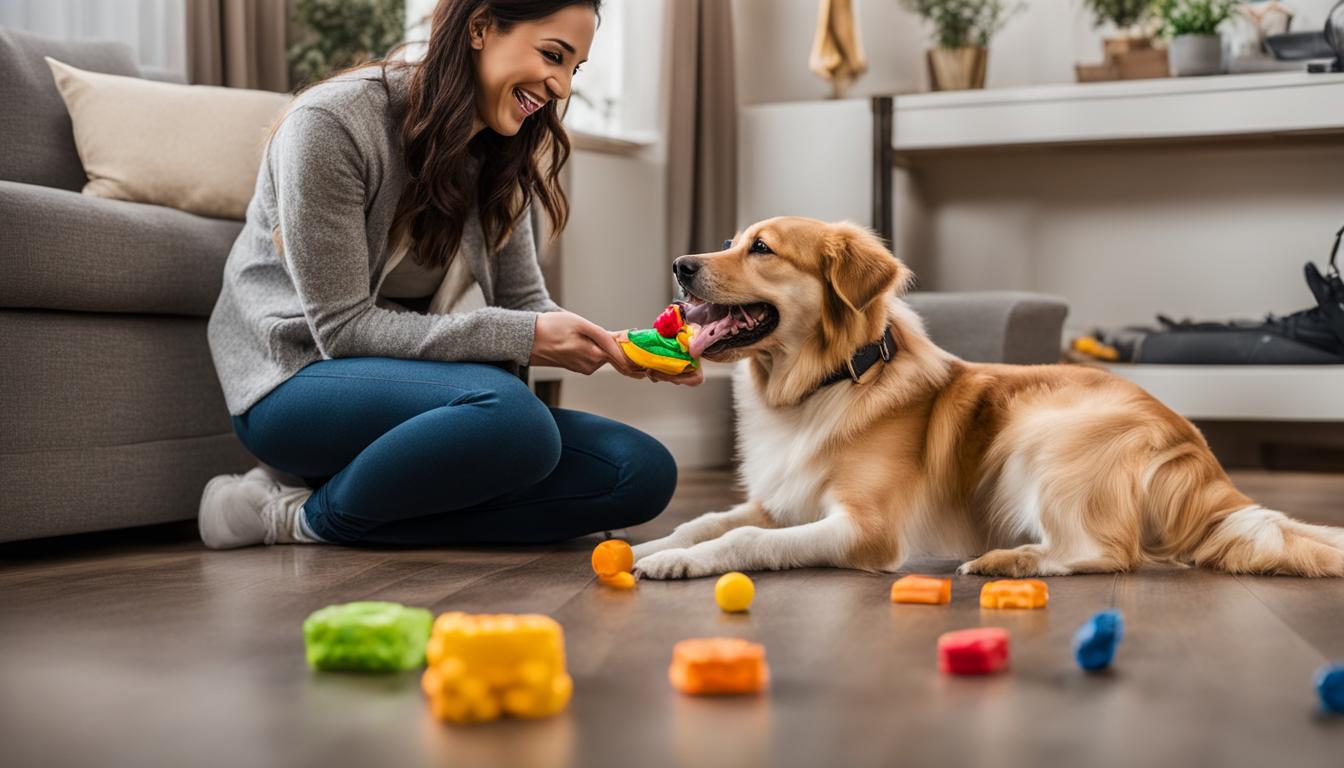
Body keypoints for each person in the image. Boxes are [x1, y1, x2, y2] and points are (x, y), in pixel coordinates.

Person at [199, 0, 697, 550]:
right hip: (293, 382)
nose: (560, 87)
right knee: (515, 423)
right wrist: (525, 338)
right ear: (481, 28)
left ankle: (362, 493)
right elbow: (341, 331)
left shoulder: (505, 152)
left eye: (573, 69)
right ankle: (298, 518)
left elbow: (526, 300)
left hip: (412, 398)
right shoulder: (331, 125)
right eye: (553, 55)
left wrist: (614, 347)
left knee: (641, 471)